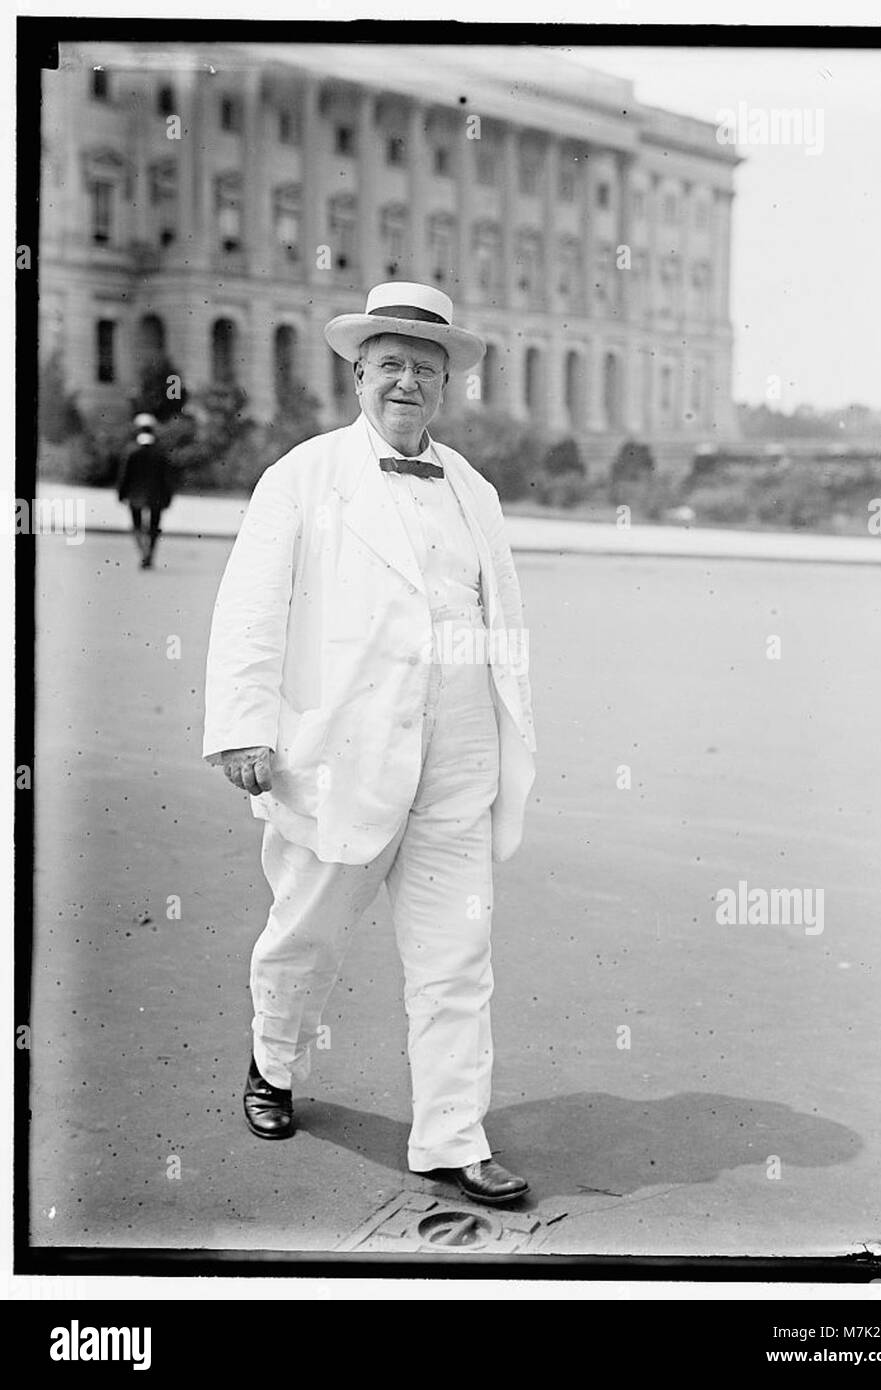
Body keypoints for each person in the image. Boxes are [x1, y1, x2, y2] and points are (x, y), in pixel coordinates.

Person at [202, 282, 536, 1206]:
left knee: (455, 955)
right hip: (339, 751)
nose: (407, 383)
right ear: (358, 373)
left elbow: (496, 614)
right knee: (306, 932)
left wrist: (504, 733)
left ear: (445, 385)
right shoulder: (303, 477)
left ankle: (452, 1137)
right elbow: (251, 608)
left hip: (459, 753)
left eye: (425, 370)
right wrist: (241, 728)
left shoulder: (473, 489)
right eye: (390, 365)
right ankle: (273, 1064)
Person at [116, 413, 175, 568]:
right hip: (157, 495)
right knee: (154, 526)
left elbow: (124, 476)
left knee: (136, 525)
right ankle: (150, 553)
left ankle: (143, 553)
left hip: (135, 495)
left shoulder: (131, 451)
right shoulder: (161, 453)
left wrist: (121, 494)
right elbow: (168, 478)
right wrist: (168, 496)